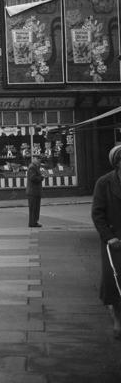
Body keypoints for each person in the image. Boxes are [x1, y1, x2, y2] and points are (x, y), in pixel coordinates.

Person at [91, 144, 121, 340]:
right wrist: (109, 237)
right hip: (114, 241)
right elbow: (97, 213)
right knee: (115, 281)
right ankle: (118, 319)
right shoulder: (104, 182)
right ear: (118, 163)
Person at [26, 155, 44, 227]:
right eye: (38, 159)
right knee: (33, 209)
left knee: (36, 208)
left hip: (35, 191)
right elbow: (33, 178)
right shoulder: (32, 167)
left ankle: (34, 222)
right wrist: (41, 177)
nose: (39, 161)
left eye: (40, 160)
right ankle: (32, 223)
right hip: (33, 191)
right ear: (34, 159)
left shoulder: (35, 166)